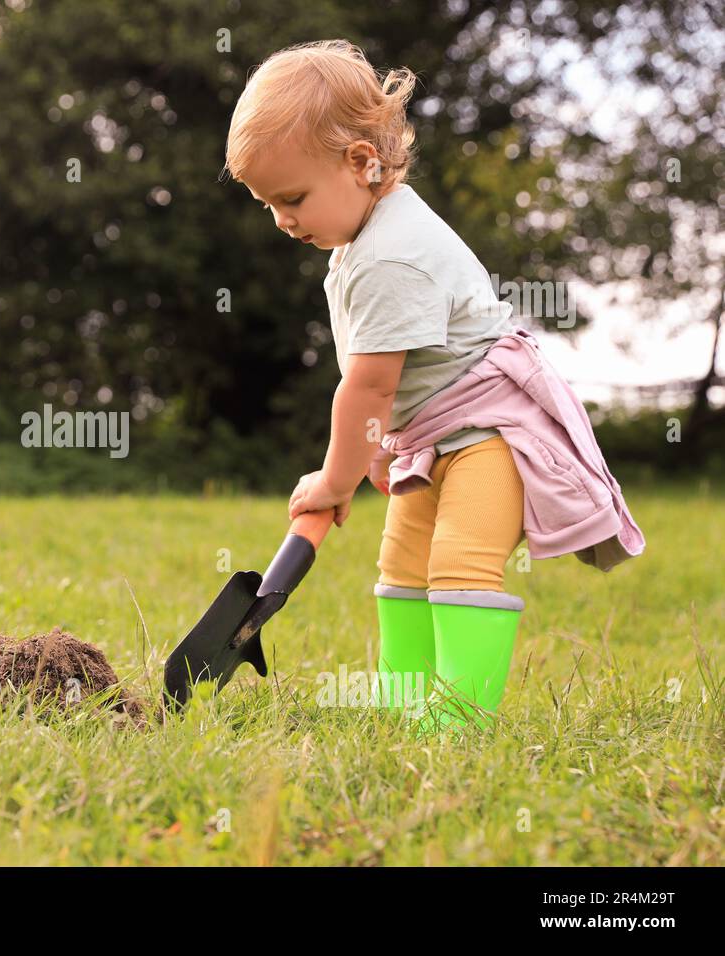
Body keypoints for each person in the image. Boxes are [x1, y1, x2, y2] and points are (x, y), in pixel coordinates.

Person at [222, 39, 582, 735]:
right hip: (433, 434)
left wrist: (335, 479)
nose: (282, 220)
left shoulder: (391, 255)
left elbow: (370, 385)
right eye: (267, 204)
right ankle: (406, 701)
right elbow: (404, 377)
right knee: (403, 562)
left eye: (291, 198)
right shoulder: (367, 235)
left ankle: (458, 720)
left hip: (489, 434)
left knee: (458, 562)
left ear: (361, 162)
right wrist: (383, 449)